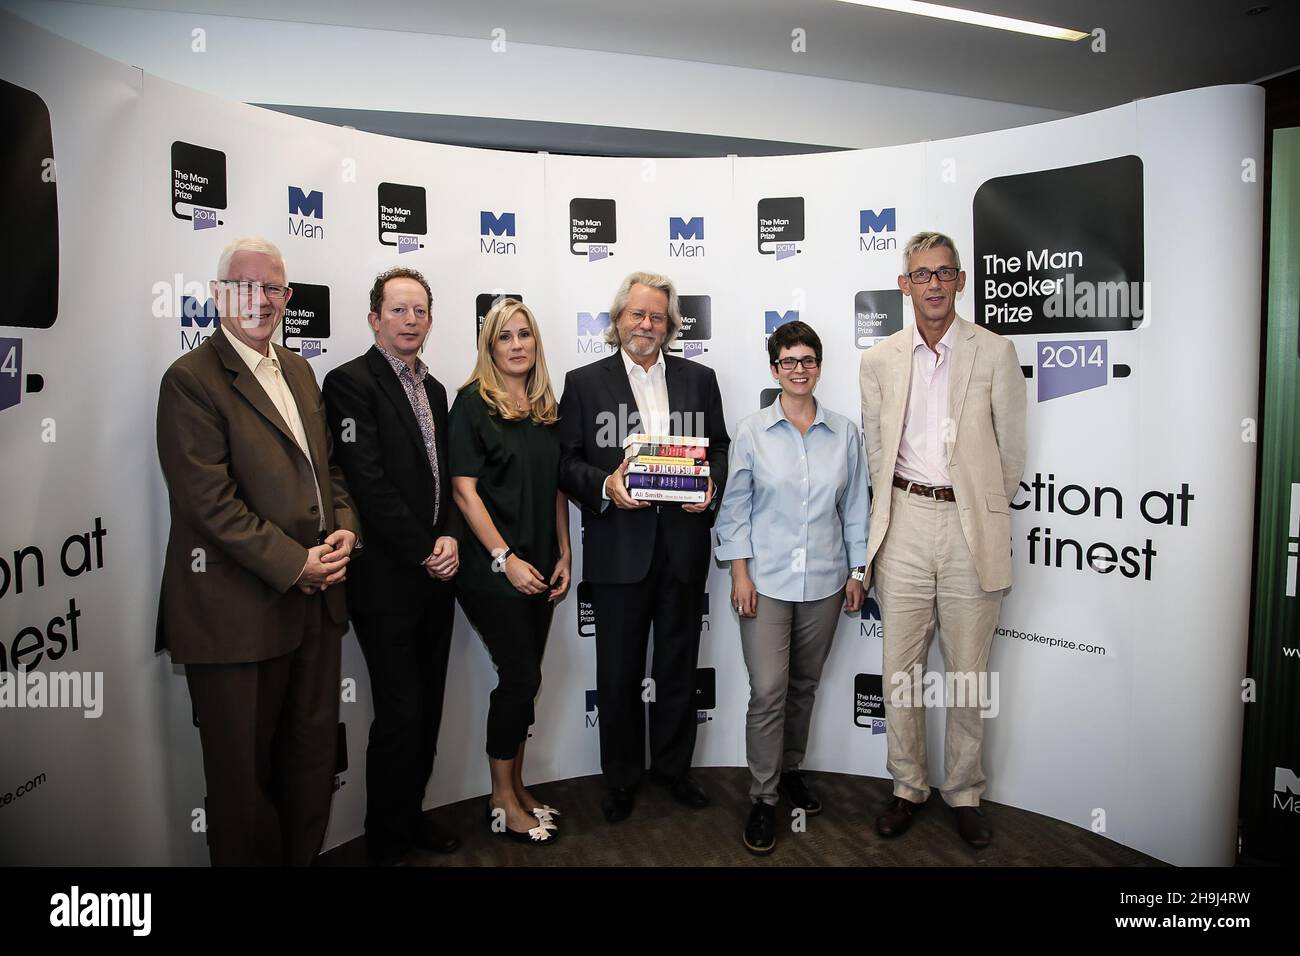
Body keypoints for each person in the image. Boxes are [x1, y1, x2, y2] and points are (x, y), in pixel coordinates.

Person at [155, 236, 359, 866]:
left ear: (287, 297)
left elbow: (327, 472)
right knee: (242, 789)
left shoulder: (298, 369)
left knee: (308, 766)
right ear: (219, 296)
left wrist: (346, 525)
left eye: (273, 287)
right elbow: (207, 502)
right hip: (235, 617)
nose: (261, 299)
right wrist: (294, 562)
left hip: (316, 609)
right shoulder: (190, 380)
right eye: (246, 286)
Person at [859, 231, 1026, 848]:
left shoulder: (995, 352)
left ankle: (963, 791)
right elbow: (878, 453)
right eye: (921, 273)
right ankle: (907, 787)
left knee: (967, 673)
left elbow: (1011, 455)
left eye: (944, 272)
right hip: (902, 520)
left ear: (959, 281)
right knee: (899, 671)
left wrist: (976, 505)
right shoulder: (879, 360)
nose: (932, 283)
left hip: (968, 529)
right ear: (905, 285)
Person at [557, 271, 730, 823]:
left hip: (683, 547)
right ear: (617, 320)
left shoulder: (700, 380)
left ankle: (674, 771)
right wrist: (606, 485)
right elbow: (565, 462)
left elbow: (720, 448)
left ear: (671, 326)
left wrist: (711, 488)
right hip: (618, 550)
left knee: (679, 665)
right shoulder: (584, 383)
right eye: (637, 314)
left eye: (657, 317)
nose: (647, 325)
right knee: (618, 673)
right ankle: (622, 778)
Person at [322, 267, 463, 866]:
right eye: (399, 310)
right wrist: (424, 548)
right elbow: (366, 482)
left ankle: (409, 818)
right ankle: (384, 840)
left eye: (420, 311)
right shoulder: (349, 383)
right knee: (400, 712)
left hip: (437, 578)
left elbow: (447, 479)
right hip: (386, 580)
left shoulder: (435, 390)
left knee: (428, 708)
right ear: (375, 317)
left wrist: (451, 538)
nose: (411, 321)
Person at [714, 320, 869, 855]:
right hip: (768, 583)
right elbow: (734, 510)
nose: (798, 370)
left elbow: (855, 509)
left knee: (804, 686)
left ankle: (791, 769)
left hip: (827, 583)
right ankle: (763, 797)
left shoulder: (846, 432)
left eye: (808, 360)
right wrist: (739, 573)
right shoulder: (752, 431)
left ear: (819, 367)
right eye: (788, 361)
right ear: (774, 368)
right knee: (769, 691)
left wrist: (857, 572)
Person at [449, 297, 570, 846]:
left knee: (528, 682)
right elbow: (465, 492)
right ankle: (500, 798)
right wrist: (506, 560)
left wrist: (564, 552)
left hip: (542, 566)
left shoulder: (546, 407)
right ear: (489, 345)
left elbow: (555, 490)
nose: (517, 344)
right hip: (491, 570)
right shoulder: (472, 403)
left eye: (525, 335)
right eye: (505, 337)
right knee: (518, 679)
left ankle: (517, 787)